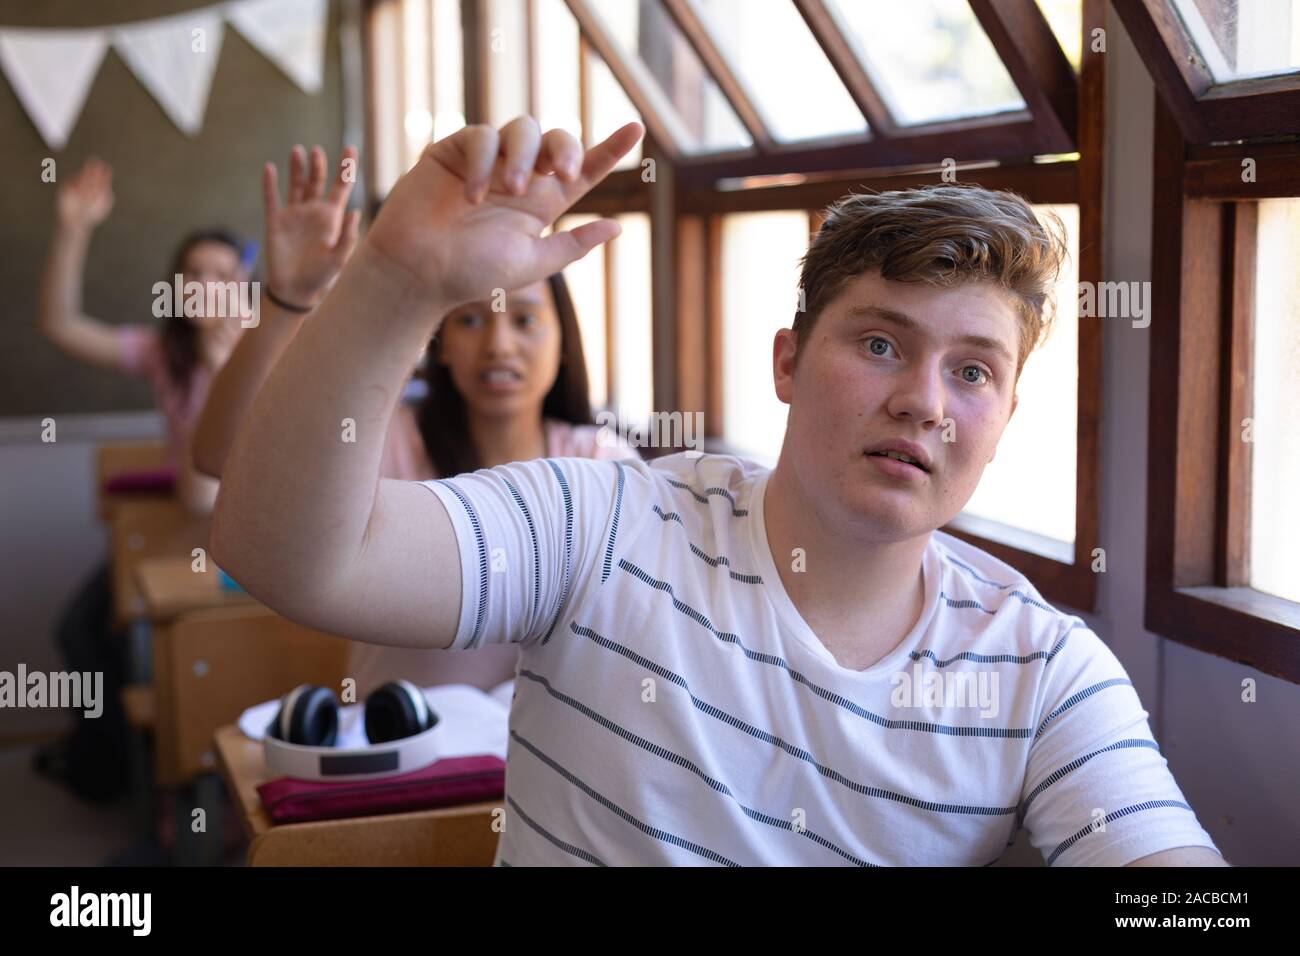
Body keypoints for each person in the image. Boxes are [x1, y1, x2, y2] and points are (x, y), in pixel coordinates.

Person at [211, 118, 1226, 866]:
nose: (922, 401)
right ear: (786, 361)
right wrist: (393, 279)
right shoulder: (603, 518)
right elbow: (284, 550)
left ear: (1002, 417)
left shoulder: (1044, 667)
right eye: (879, 343)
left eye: (971, 371)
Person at [192, 144, 634, 696]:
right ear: (441, 345)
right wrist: (288, 297)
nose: (499, 345)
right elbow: (218, 456)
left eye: (525, 320)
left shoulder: (600, 464)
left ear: (564, 343)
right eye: (471, 319)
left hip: (530, 772)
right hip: (402, 765)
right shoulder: (384, 440)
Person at [36, 157, 248, 802]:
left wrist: (224, 363)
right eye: (195, 275)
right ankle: (106, 767)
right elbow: (62, 326)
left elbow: (208, 493)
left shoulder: (268, 352)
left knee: (170, 650)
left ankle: (157, 783)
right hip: (179, 536)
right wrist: (74, 228)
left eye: (222, 274)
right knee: (80, 628)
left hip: (236, 550)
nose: (207, 285)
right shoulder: (167, 354)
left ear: (245, 286)